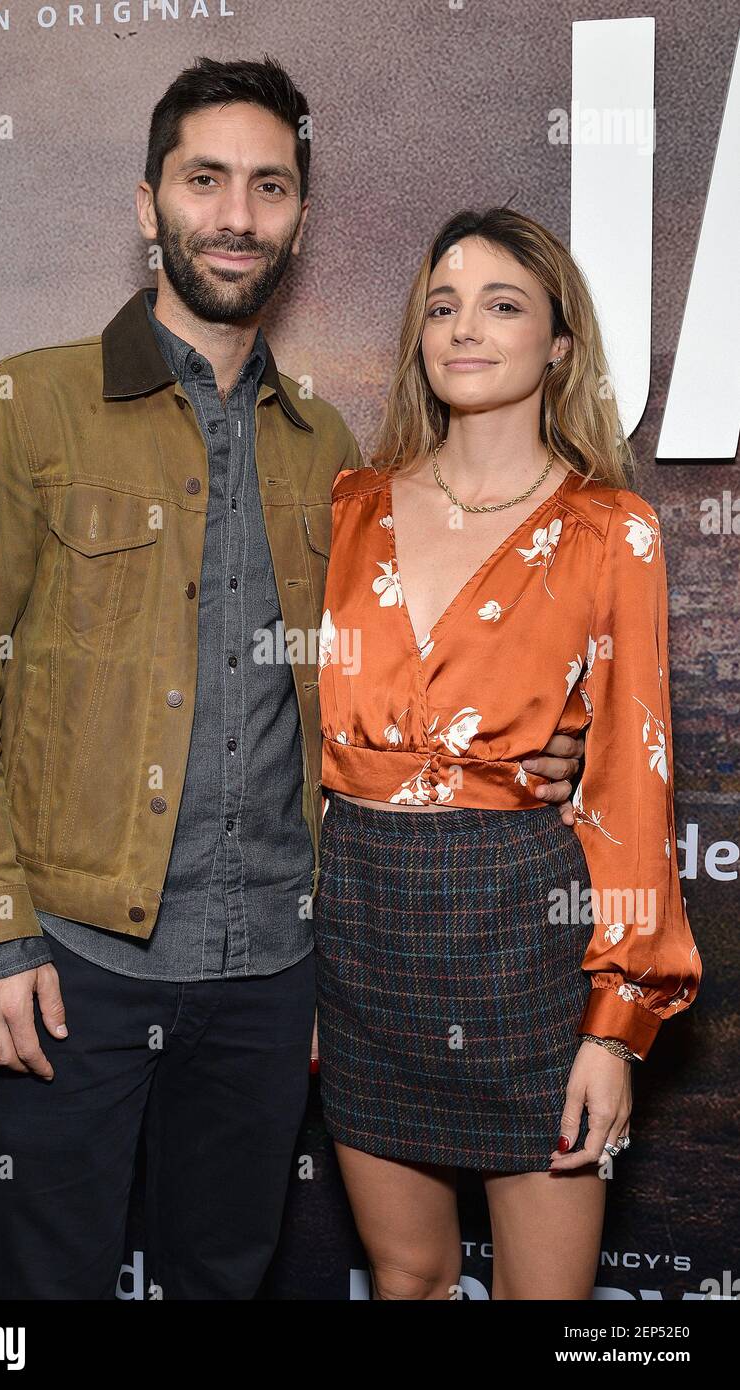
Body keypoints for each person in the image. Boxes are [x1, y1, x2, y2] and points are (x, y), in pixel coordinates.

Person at [0, 62, 583, 1300]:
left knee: (225, 1278)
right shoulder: (30, 404)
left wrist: (544, 744)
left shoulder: (323, 443)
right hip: (72, 964)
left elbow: (379, 686)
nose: (236, 214)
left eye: (269, 186)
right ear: (146, 201)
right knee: (42, 1287)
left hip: (274, 973)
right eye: (205, 179)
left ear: (298, 217)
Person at [313, 207, 703, 1301]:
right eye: (441, 306)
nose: (463, 329)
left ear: (558, 343)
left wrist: (615, 1029)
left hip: (524, 935)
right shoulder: (345, 510)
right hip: (361, 930)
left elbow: (629, 779)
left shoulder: (609, 530)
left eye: (500, 305)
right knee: (407, 1277)